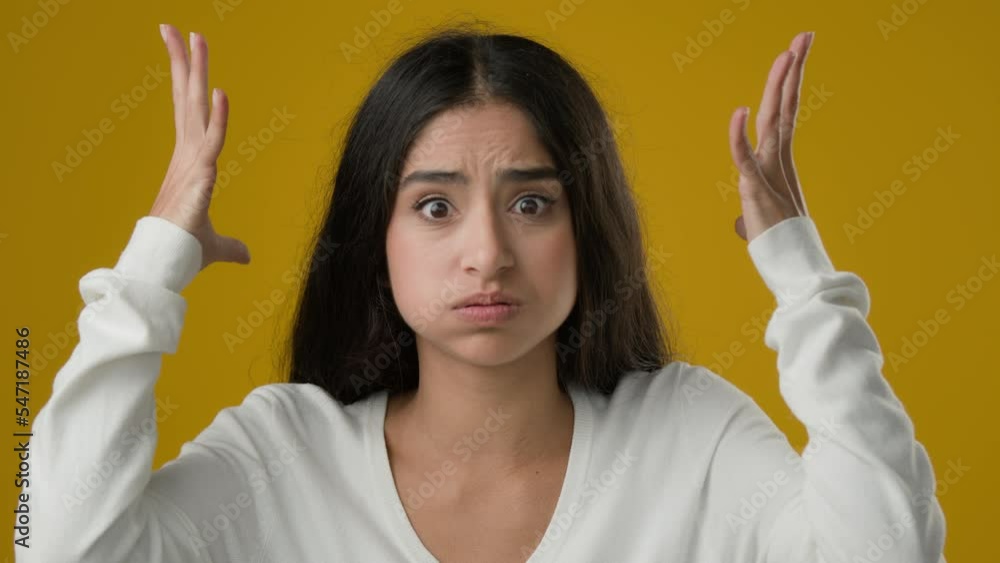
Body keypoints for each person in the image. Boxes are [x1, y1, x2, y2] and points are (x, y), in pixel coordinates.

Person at [16, 21, 947, 563]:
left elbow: (890, 549)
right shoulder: (280, 455)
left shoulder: (688, 437)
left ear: (586, 228)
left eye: (532, 201)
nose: (487, 253)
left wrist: (803, 277)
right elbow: (54, 542)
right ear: (374, 238)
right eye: (433, 207)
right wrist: (152, 266)